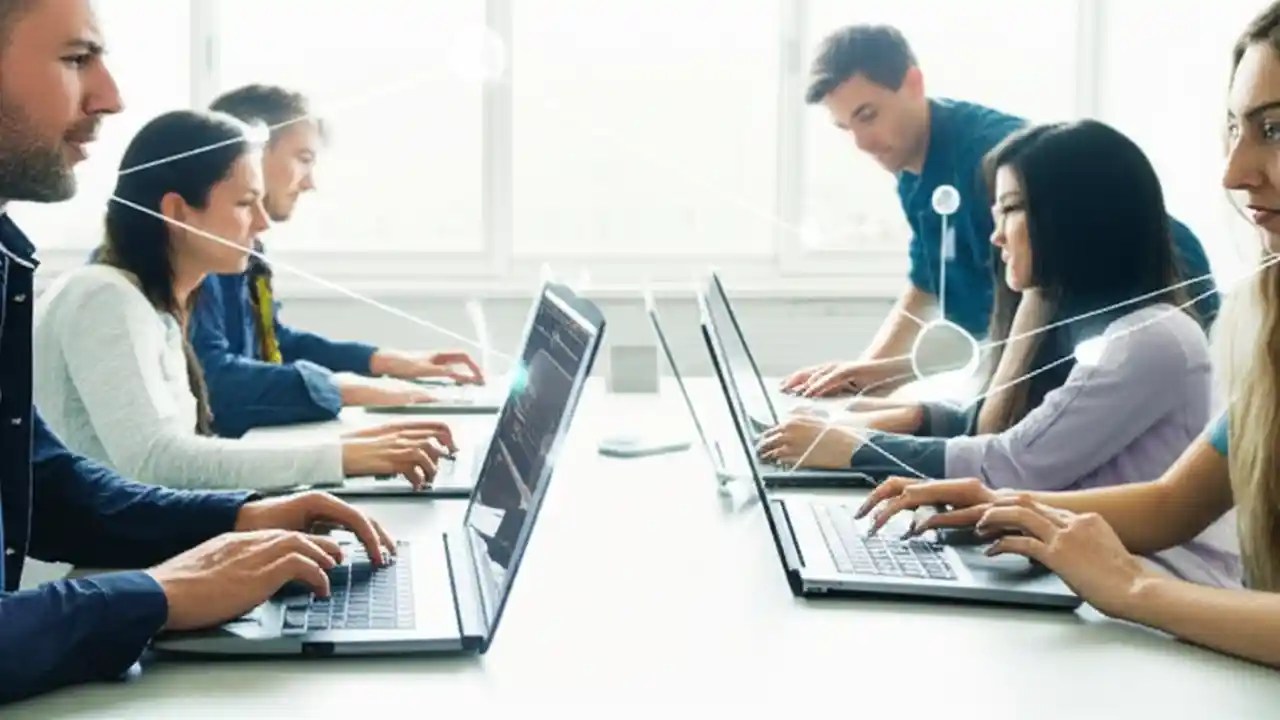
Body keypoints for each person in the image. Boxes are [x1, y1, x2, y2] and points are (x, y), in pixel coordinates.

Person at [0, 0, 407, 703]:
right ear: (176, 211)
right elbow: (159, 451)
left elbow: (46, 481)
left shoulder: (40, 273)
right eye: (75, 58)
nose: (111, 95)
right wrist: (157, 595)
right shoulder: (105, 296)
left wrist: (239, 517)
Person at [852, 1, 1280, 667]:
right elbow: (1174, 502)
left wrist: (1132, 588)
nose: (1232, 173)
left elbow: (1021, 457)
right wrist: (1001, 503)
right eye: (1234, 128)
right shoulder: (1267, 332)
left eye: (1274, 129)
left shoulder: (1155, 338)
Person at [759, 120, 1239, 588]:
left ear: (1074, 216)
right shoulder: (1078, 319)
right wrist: (913, 416)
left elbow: (1010, 465)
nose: (996, 236)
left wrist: (855, 448)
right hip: (1078, 565)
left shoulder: (1151, 340)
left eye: (1010, 209)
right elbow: (1018, 427)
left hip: (1158, 577)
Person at [781, 24, 1220, 399]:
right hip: (1036, 343)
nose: (861, 143)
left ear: (913, 84)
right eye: (845, 128)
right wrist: (858, 378)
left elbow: (1032, 314)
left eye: (868, 115)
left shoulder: (988, 161)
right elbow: (926, 282)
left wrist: (888, 377)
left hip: (1151, 306)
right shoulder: (913, 167)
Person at [34, 109, 457, 492]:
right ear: (177, 212)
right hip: (98, 552)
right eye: (244, 203)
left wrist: (350, 445)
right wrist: (340, 456)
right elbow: (157, 461)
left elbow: (183, 455)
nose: (263, 222)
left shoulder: (156, 307)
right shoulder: (104, 297)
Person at [188, 84, 486, 438]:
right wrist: (345, 389)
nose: (310, 182)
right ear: (252, 153)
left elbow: (271, 344)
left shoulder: (248, 250)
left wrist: (384, 361)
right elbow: (212, 380)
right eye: (303, 159)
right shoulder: (201, 253)